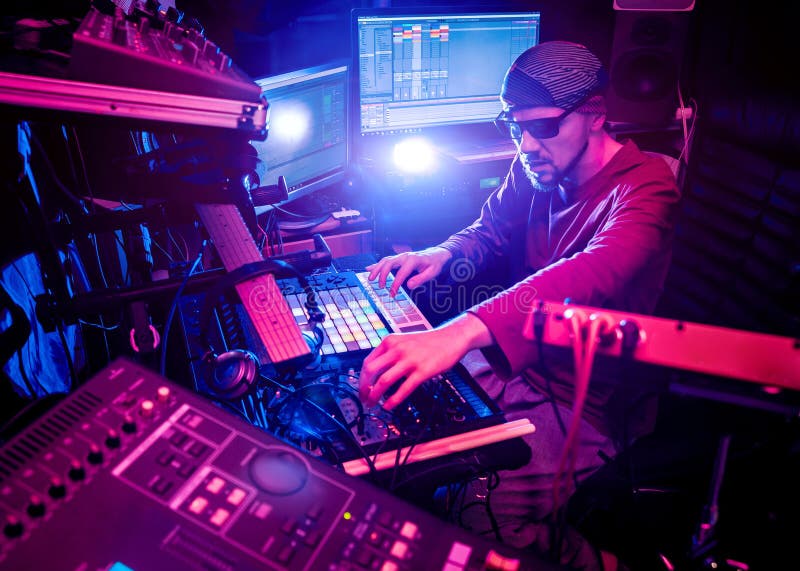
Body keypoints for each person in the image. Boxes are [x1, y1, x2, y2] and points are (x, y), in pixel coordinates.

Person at [358, 41, 681, 570]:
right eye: (515, 127)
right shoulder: (538, 167)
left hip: (587, 404)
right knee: (387, 430)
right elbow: (490, 228)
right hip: (511, 366)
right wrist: (443, 251)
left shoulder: (648, 189)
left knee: (474, 515)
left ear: (596, 115)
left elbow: (592, 270)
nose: (526, 144)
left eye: (544, 127)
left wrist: (461, 331)